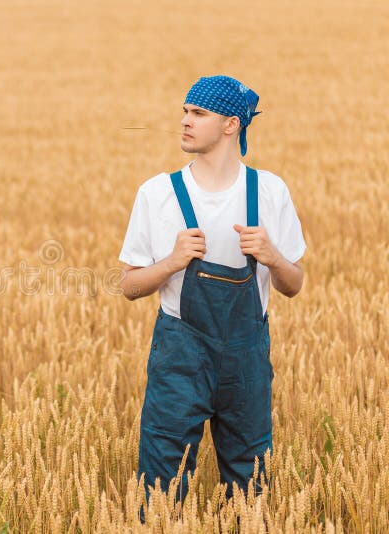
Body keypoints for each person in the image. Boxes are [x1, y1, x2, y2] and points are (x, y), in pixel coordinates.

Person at [117, 75, 307, 511]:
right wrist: (171, 261)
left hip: (246, 363)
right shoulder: (157, 193)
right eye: (184, 111)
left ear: (231, 125)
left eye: (198, 113)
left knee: (251, 483)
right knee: (160, 487)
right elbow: (128, 285)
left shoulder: (269, 191)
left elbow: (293, 285)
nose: (184, 121)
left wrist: (273, 256)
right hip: (179, 358)